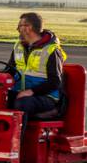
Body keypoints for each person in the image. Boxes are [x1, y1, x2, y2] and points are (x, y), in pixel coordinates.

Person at [5, 12, 67, 143]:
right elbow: (9, 70)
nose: (18, 29)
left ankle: (15, 145)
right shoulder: (18, 47)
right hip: (21, 93)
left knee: (22, 103)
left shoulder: (51, 50)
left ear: (29, 28)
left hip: (47, 97)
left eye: (21, 26)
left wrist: (30, 92)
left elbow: (55, 82)